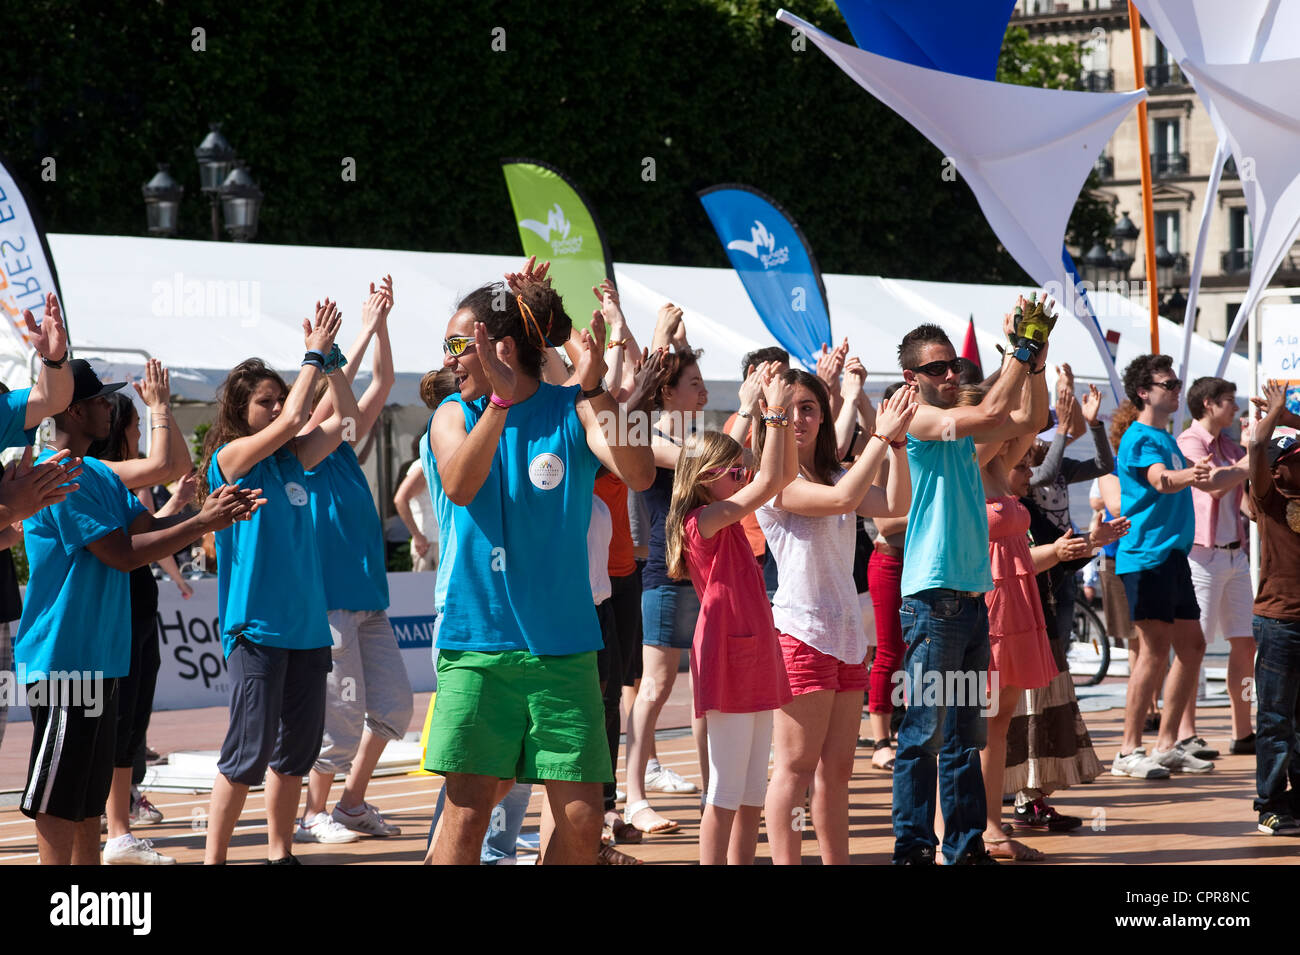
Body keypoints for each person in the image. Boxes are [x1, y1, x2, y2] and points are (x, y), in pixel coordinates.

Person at [423, 256, 655, 865]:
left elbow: (638, 470)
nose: (448, 357)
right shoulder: (453, 414)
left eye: (457, 343)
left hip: (564, 647)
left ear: (499, 345)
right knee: (468, 814)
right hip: (477, 646)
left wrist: (596, 384)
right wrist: (499, 404)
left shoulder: (572, 408)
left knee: (581, 822)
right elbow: (460, 485)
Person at [18, 360, 258, 865]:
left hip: (98, 659)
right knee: (58, 803)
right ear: (76, 409)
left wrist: (208, 513)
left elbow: (146, 530)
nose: (110, 407)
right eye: (102, 400)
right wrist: (203, 521)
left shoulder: (97, 473)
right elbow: (124, 553)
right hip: (67, 662)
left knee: (86, 803)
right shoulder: (57, 472)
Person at [890, 299, 1054, 867]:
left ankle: (964, 850)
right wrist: (1019, 352)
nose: (950, 374)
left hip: (966, 600)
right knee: (921, 736)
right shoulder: (918, 421)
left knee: (965, 738)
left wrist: (1034, 362)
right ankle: (913, 850)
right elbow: (988, 416)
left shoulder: (963, 443)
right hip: (933, 601)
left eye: (953, 365)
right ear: (912, 378)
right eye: (937, 368)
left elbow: (1027, 420)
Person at [201, 299, 362, 865]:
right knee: (244, 755)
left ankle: (278, 853)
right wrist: (311, 355)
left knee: (295, 753)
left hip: (306, 631)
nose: (275, 409)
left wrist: (333, 360)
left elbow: (344, 419)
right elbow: (298, 417)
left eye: (277, 398)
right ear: (241, 410)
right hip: (258, 631)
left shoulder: (295, 463)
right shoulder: (231, 459)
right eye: (263, 401)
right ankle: (214, 860)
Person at [757, 370, 915, 865]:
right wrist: (882, 437)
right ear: (774, 416)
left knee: (837, 771)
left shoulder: (832, 474)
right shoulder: (775, 482)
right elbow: (845, 502)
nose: (801, 417)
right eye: (792, 407)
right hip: (800, 634)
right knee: (794, 769)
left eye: (810, 408)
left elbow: (895, 504)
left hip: (846, 637)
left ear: (823, 417)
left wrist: (899, 447)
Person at [295, 277, 416, 844]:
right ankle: (311, 814)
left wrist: (380, 325)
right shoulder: (305, 451)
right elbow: (335, 396)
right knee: (339, 719)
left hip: (368, 600)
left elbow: (384, 380)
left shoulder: (342, 445)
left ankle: (350, 804)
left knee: (394, 707)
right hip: (331, 601)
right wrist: (351, 340)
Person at [665, 370, 797, 865]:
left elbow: (775, 478)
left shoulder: (718, 512)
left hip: (750, 651)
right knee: (723, 792)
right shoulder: (704, 519)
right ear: (705, 480)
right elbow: (766, 481)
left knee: (750, 794)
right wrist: (774, 414)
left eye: (740, 468)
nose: (742, 474)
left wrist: (768, 416)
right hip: (729, 654)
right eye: (732, 471)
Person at [87, 366, 194, 864]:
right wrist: (158, 407)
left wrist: (160, 409)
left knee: (131, 722)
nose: (133, 432)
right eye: (130, 425)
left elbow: (171, 473)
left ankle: (118, 832)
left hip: (137, 606)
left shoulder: (114, 483)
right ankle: (115, 832)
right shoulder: (97, 473)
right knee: (114, 722)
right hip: (110, 614)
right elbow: (164, 464)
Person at [1110, 354, 1214, 780]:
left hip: (1171, 556)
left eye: (1176, 383)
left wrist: (1247, 462)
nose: (1175, 390)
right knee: (1152, 652)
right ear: (1143, 392)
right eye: (1167, 384)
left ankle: (1167, 744)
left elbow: (1202, 478)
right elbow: (1162, 481)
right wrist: (1193, 474)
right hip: (1146, 556)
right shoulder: (1139, 438)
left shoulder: (1167, 439)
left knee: (1192, 647)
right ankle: (1127, 750)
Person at [624, 344, 710, 835]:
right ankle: (635, 797)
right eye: (693, 383)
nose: (701, 390)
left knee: (708, 691)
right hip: (665, 572)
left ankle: (711, 793)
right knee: (653, 688)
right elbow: (708, 468)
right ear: (667, 392)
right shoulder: (651, 439)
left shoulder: (698, 436)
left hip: (707, 574)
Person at [1176, 376, 1252, 757]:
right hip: (1201, 555)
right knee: (1195, 646)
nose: (1234, 407)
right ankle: (1185, 731)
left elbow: (1239, 496)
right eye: (1228, 400)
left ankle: (1243, 729)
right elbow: (1215, 485)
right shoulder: (1189, 442)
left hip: (1235, 553)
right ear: (1208, 403)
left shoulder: (1230, 446)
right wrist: (1249, 459)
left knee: (1246, 640)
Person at [1245, 380, 1300, 834]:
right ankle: (1270, 804)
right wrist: (1272, 420)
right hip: (1279, 622)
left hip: (1288, 623)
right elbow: (1257, 445)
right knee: (1275, 719)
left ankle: (1296, 801)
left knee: (1296, 722)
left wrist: (1288, 419)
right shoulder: (1267, 496)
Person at [866, 381, 910, 770]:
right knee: (889, 651)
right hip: (889, 561)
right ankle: (880, 739)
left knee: (916, 653)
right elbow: (885, 523)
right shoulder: (879, 453)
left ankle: (905, 731)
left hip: (919, 564)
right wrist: (932, 510)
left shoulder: (924, 448)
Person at [394, 370, 457, 573]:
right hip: (429, 542)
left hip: (438, 538)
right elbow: (400, 499)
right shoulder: (423, 464)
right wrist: (418, 536)